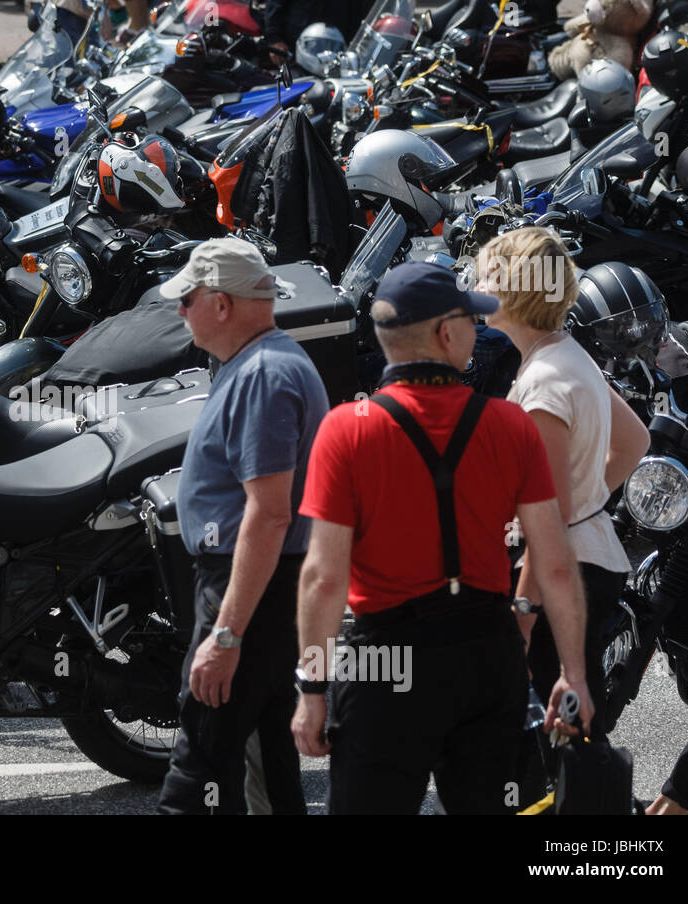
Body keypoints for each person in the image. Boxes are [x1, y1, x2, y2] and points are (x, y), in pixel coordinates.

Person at [291, 261, 595, 815]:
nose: (478, 333)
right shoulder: (510, 424)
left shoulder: (346, 428)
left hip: (385, 658)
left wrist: (312, 689)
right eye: (470, 323)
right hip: (487, 652)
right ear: (445, 334)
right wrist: (572, 675)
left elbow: (322, 577)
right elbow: (554, 563)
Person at [154, 236, 330, 815]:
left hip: (245, 590)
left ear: (223, 304)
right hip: (264, 588)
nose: (180, 310)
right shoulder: (260, 362)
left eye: (189, 298)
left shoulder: (262, 375)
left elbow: (270, 512)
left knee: (198, 773)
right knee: (266, 765)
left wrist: (225, 636)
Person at [478, 228, 650, 738]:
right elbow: (634, 441)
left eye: (487, 274)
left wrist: (523, 614)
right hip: (585, 563)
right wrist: (587, 504)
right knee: (571, 736)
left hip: (555, 578)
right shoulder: (565, 353)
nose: (475, 282)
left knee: (544, 744)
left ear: (515, 289)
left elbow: (545, 518)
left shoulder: (543, 381)